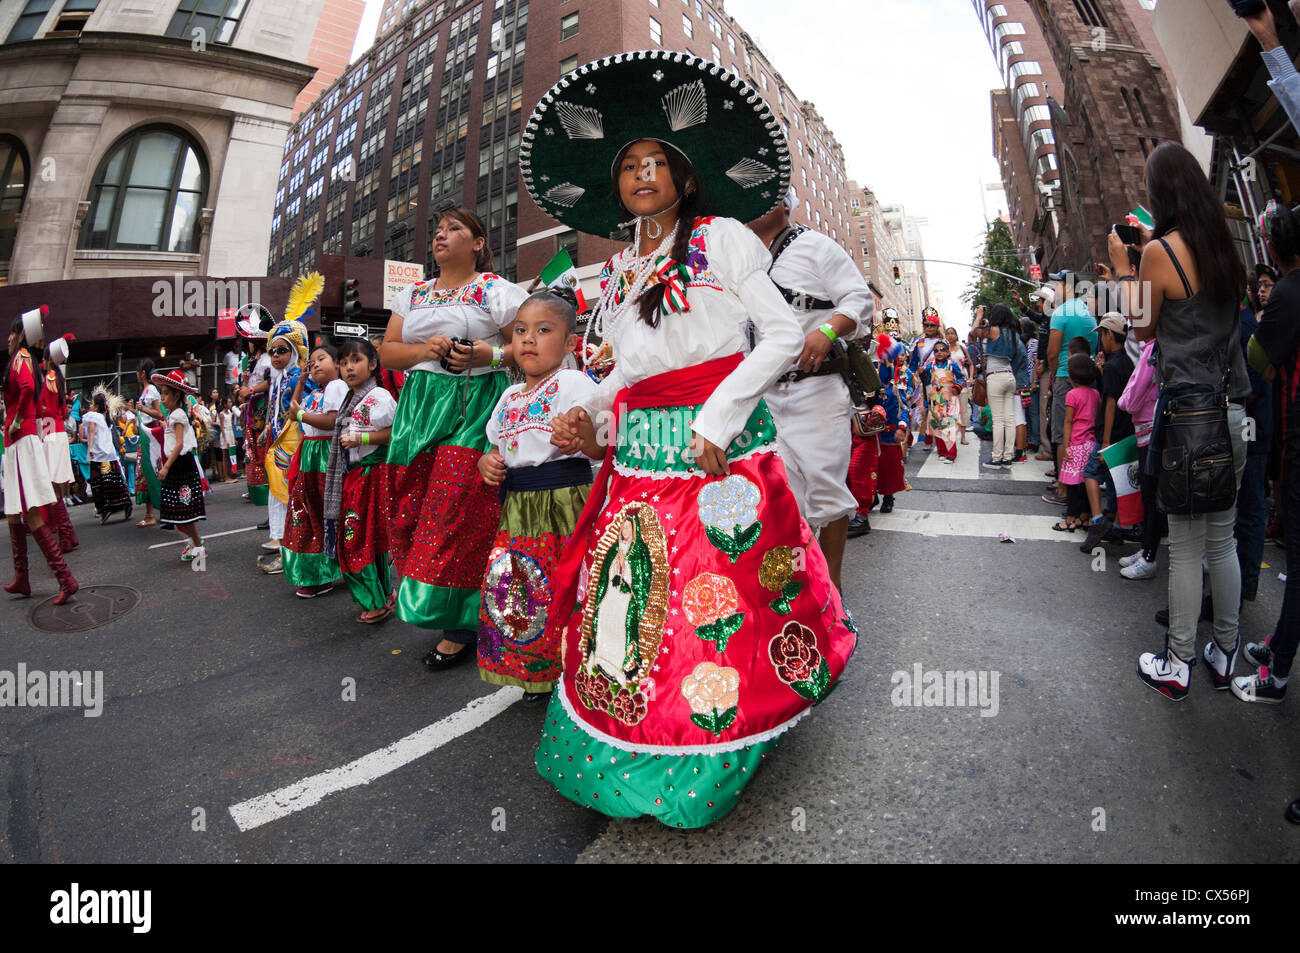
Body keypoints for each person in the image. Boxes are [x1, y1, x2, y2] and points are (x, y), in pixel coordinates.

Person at [523, 51, 855, 828]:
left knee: (720, 607)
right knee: (637, 603)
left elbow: (776, 337)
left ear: (684, 178)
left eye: (656, 162)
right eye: (630, 165)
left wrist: (718, 418)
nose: (642, 173)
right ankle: (633, 749)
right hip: (641, 457)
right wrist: (592, 415)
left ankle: (718, 745)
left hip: (720, 448)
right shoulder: (619, 272)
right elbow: (631, 373)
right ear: (617, 187)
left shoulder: (725, 238)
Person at [1131, 141, 1249, 702]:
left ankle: (1176, 663)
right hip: (1233, 413)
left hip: (1188, 419)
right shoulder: (1225, 249)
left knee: (1184, 544)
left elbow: (1140, 330)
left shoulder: (1161, 251)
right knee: (1222, 541)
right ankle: (1225, 652)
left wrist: (1132, 263)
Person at [380, 209, 524, 666]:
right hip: (417, 409)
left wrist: (489, 354)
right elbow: (388, 350)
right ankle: (447, 601)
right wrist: (427, 349)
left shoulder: (495, 291)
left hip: (473, 404)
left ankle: (462, 623)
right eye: (438, 229)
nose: (442, 235)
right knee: (410, 509)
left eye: (455, 228)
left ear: (479, 242)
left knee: (457, 510)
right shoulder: (414, 293)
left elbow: (531, 344)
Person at [748, 187, 873, 592]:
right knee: (779, 493)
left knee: (826, 487)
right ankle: (792, 588)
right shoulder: (743, 260)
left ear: (785, 204)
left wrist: (825, 330)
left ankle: (832, 585)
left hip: (817, 390)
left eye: (765, 196)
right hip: (765, 394)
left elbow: (859, 300)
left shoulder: (818, 246)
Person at [475, 288, 596, 700]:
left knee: (569, 584)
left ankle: (577, 666)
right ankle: (537, 668)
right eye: (521, 330)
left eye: (543, 330)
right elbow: (495, 447)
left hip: (564, 500)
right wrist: (486, 463)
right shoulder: (508, 396)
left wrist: (577, 433)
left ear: (568, 344)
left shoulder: (572, 381)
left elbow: (593, 429)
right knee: (523, 587)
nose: (528, 339)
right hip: (517, 507)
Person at [1239, 197, 1300, 704]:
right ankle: (1280, 642)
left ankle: (1276, 677)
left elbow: (1259, 356)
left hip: (1295, 434)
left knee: (1298, 565)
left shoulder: (1287, 294)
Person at [4, 308, 77, 604]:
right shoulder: (30, 362)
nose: (8, 338)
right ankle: (22, 577)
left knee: (30, 513)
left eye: (11, 332)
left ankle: (65, 578)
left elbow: (25, 388)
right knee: (12, 512)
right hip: (20, 441)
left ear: (19, 335)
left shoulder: (21, 359)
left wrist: (16, 421)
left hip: (22, 440)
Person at [325, 338, 397, 624]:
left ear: (373, 363)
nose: (348, 368)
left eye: (355, 360)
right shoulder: (350, 400)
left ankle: (376, 601)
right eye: (343, 363)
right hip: (355, 477)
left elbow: (395, 432)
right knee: (370, 541)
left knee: (357, 541)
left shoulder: (379, 397)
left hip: (370, 477)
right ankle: (383, 594)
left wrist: (361, 438)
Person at [279, 344, 347, 596]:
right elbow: (293, 411)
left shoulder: (336, 387)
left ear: (338, 365)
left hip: (326, 454)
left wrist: (303, 416)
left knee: (324, 513)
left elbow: (332, 420)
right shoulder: (317, 391)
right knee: (307, 513)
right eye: (312, 361)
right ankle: (315, 572)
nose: (316, 364)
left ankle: (325, 572)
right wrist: (303, 378)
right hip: (310, 455)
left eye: (322, 359)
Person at [1079, 313, 1134, 551]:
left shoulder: (1112, 366)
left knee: (1091, 472)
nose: (1100, 340)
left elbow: (1111, 402)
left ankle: (1099, 520)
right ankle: (1116, 526)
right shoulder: (1127, 362)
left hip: (1111, 434)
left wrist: (1106, 442)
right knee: (1114, 482)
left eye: (1102, 334)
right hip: (1127, 430)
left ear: (1110, 334)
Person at [260, 319, 308, 570]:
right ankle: (280, 539)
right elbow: (275, 411)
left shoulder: (299, 378)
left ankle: (292, 546)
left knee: (292, 494)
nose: (276, 355)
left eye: (282, 350)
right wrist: (267, 430)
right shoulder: (279, 378)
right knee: (277, 493)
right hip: (278, 443)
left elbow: (305, 409)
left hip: (294, 444)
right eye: (272, 351)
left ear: (294, 352)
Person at [1045, 272, 1096, 498]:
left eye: (1058, 283)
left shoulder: (1061, 312)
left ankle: (1062, 486)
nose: (1055, 288)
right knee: (1083, 433)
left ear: (1067, 287)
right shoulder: (1088, 311)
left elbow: (1053, 352)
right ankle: (1081, 484)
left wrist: (1055, 375)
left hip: (1066, 377)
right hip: (1089, 378)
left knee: (1061, 433)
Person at [151, 369, 206, 563]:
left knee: (184, 509)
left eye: (166, 394)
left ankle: (198, 545)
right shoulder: (173, 414)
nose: (163, 398)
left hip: (182, 465)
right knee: (177, 510)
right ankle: (194, 542)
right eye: (162, 394)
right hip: (177, 464)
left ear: (176, 395)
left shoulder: (178, 415)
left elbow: (180, 443)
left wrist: (166, 467)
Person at [1052, 354, 1101, 532]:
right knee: (1085, 483)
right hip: (1090, 443)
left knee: (1072, 486)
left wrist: (1066, 446)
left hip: (1075, 444)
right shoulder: (1095, 394)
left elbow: (1068, 421)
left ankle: (1070, 519)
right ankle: (1084, 518)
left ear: (1072, 377)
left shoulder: (1072, 394)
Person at [37, 334, 77, 551]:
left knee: (54, 489)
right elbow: (61, 411)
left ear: (47, 359)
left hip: (51, 433)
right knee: (59, 489)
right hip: (58, 433)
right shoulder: (59, 378)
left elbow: (51, 411)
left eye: (43, 359)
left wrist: (39, 410)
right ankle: (68, 535)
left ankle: (65, 539)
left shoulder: (50, 377)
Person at [981, 303, 1028, 469]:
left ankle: (996, 458)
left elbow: (974, 332)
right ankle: (1008, 457)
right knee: (1010, 419)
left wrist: (980, 314)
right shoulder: (1014, 334)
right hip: (1010, 377)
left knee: (999, 420)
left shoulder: (993, 330)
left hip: (996, 377)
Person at [81, 387, 133, 525]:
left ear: (97, 406)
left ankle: (104, 507)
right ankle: (123, 503)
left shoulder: (94, 416)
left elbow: (91, 432)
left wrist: (90, 447)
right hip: (108, 454)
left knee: (99, 483)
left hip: (99, 455)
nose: (90, 406)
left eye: (92, 404)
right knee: (113, 482)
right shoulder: (106, 417)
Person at [920, 339, 965, 462]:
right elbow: (927, 381)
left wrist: (957, 387)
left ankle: (951, 454)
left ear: (947, 352)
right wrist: (923, 374)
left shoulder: (952, 364)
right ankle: (942, 451)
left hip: (949, 400)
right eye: (936, 350)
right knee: (937, 426)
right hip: (935, 399)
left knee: (949, 425)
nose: (939, 352)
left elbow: (961, 378)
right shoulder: (930, 365)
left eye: (942, 350)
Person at [133, 358, 165, 527]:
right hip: (145, 436)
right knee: (145, 471)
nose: (136, 375)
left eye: (138, 371)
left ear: (143, 373)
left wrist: (142, 409)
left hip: (152, 436)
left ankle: (153, 513)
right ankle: (150, 513)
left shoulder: (151, 389)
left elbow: (159, 414)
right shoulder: (145, 391)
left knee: (151, 470)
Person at [909, 308, 945, 447]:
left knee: (939, 411)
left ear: (937, 327)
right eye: (926, 325)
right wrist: (912, 378)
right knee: (925, 410)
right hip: (923, 381)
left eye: (932, 325)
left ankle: (942, 444)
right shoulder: (918, 342)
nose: (929, 328)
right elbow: (913, 363)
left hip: (939, 379)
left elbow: (947, 361)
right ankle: (928, 439)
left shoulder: (942, 341)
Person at [946, 327, 973, 444]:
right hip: (949, 383)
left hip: (962, 381)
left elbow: (971, 364)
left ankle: (963, 437)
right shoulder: (944, 349)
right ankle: (951, 435)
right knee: (950, 410)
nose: (950, 336)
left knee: (963, 409)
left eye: (952, 333)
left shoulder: (962, 348)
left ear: (956, 335)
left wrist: (971, 377)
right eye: (948, 334)